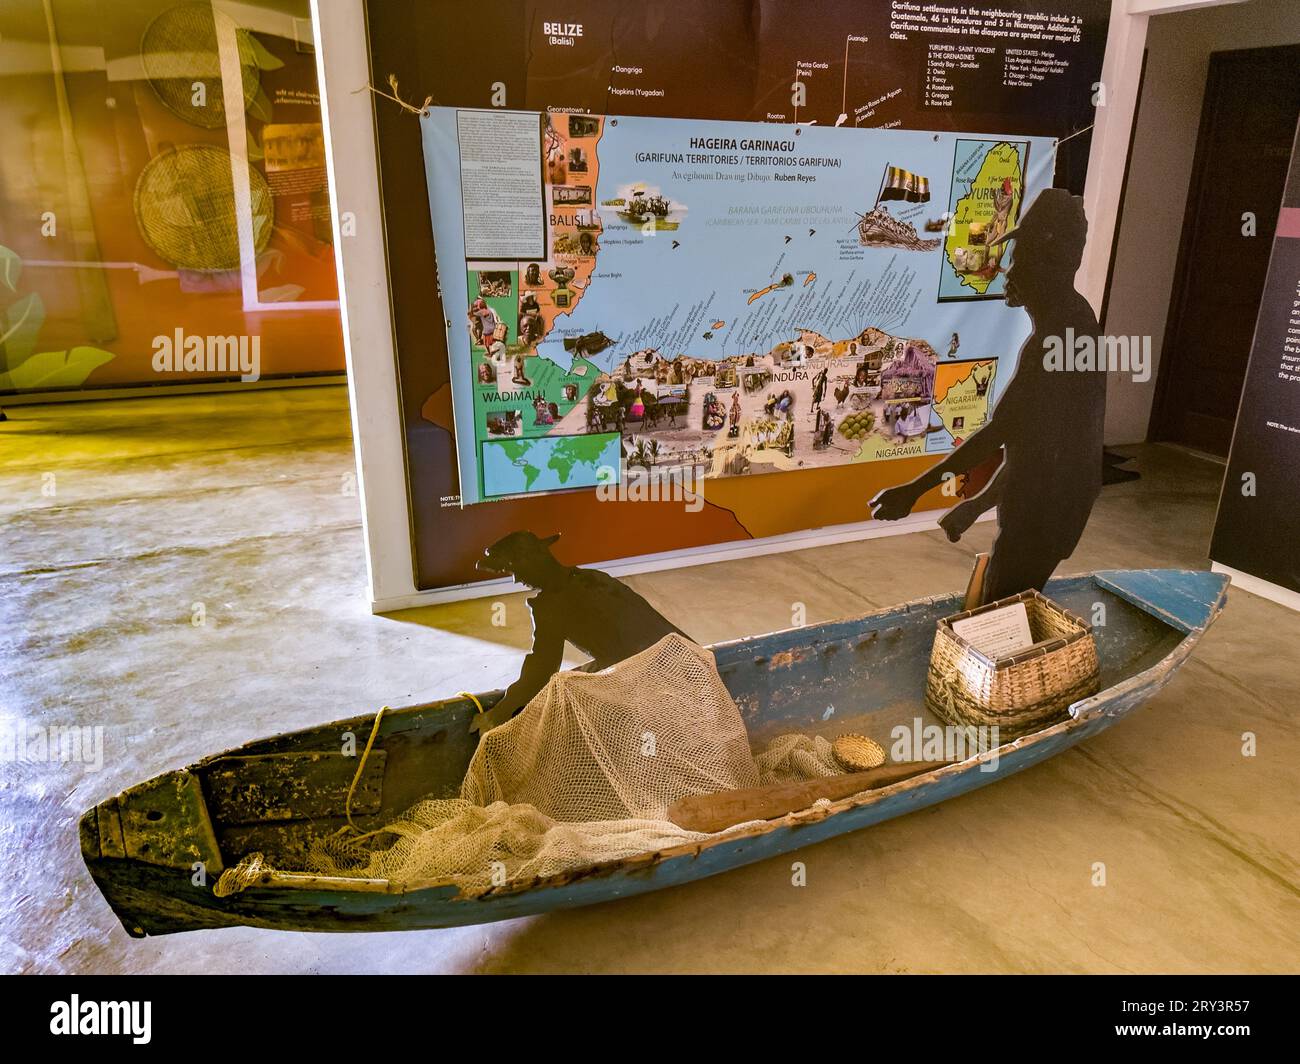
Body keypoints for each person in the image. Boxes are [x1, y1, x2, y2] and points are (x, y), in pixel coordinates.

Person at [869, 189, 1104, 604]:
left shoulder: (1061, 340)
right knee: (1007, 600)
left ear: (1049, 262)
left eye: (1022, 255)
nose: (1010, 268)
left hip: (1043, 517)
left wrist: (913, 491)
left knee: (1002, 608)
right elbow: (1038, 445)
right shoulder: (1074, 325)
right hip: (1047, 509)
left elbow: (1000, 433)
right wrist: (978, 505)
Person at [469, 532, 687, 734]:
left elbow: (542, 669)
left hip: (639, 679)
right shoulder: (594, 577)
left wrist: (498, 714)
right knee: (580, 676)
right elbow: (651, 622)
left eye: (514, 569)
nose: (516, 580)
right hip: (673, 656)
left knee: (565, 694)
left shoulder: (550, 605)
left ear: (530, 560)